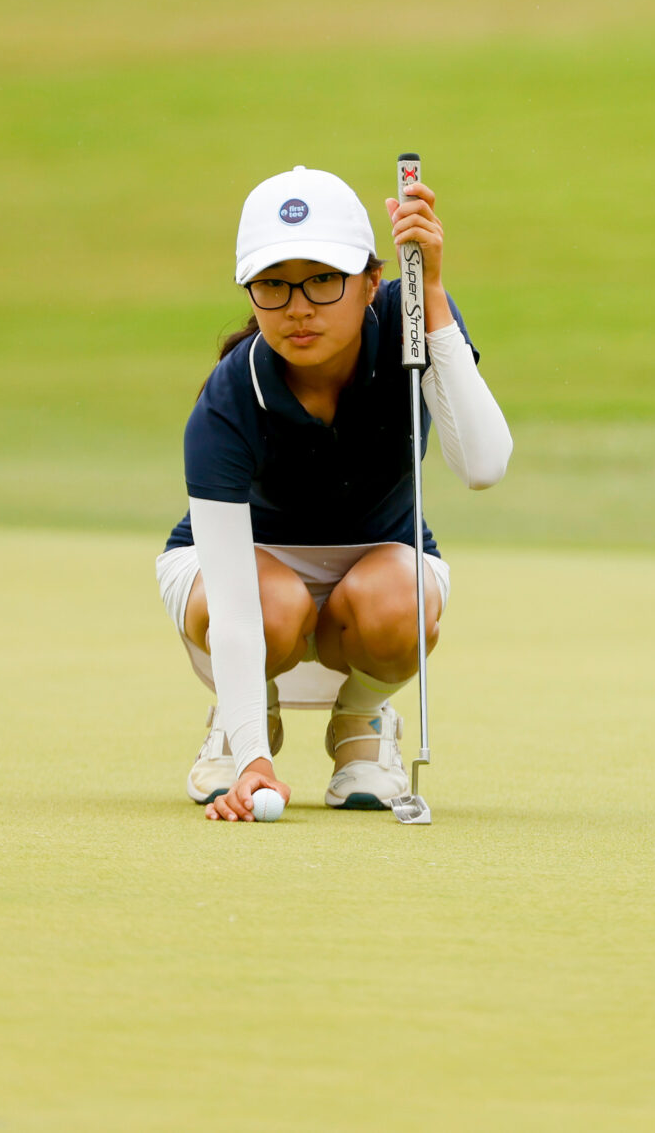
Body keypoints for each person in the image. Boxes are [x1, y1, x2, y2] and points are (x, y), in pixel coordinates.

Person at [156, 165, 512, 821]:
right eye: (273, 283)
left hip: (380, 559)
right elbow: (236, 608)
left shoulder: (412, 323)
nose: (297, 306)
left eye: (323, 279)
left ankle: (360, 725)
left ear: (372, 280)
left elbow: (485, 464)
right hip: (240, 578)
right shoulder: (230, 398)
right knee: (272, 603)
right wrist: (251, 760)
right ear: (249, 290)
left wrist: (431, 293)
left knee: (394, 599)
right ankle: (242, 722)